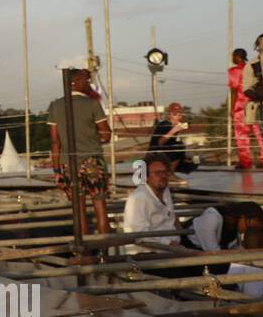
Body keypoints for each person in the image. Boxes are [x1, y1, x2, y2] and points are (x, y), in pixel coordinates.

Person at [47, 67, 112, 238]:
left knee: (79, 210)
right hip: (93, 161)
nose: (89, 84)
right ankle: (104, 251)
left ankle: (84, 252)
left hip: (68, 165)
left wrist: (56, 170)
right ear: (75, 82)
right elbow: (106, 135)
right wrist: (91, 136)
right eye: (85, 80)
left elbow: (55, 141)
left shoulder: (55, 106)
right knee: (100, 207)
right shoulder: (92, 104)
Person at [122, 156, 179, 255]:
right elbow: (141, 235)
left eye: (165, 172)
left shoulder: (165, 189)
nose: (163, 176)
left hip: (172, 247)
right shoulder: (138, 198)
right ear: (146, 177)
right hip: (147, 253)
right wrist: (169, 243)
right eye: (157, 173)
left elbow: (171, 220)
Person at [228, 48, 263, 169]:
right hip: (255, 103)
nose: (232, 59)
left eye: (233, 56)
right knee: (260, 134)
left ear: (237, 57)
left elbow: (234, 90)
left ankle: (245, 162)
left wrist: (232, 108)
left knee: (242, 135)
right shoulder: (252, 68)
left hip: (241, 106)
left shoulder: (234, 71)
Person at [148, 101, 198, 174]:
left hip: (165, 154)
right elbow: (160, 142)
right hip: (155, 156)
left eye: (180, 114)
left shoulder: (174, 125)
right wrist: (174, 130)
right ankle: (170, 175)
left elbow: (187, 125)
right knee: (179, 146)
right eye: (175, 114)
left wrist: (184, 125)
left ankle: (171, 172)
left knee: (193, 162)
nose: (178, 117)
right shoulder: (164, 125)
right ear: (169, 115)